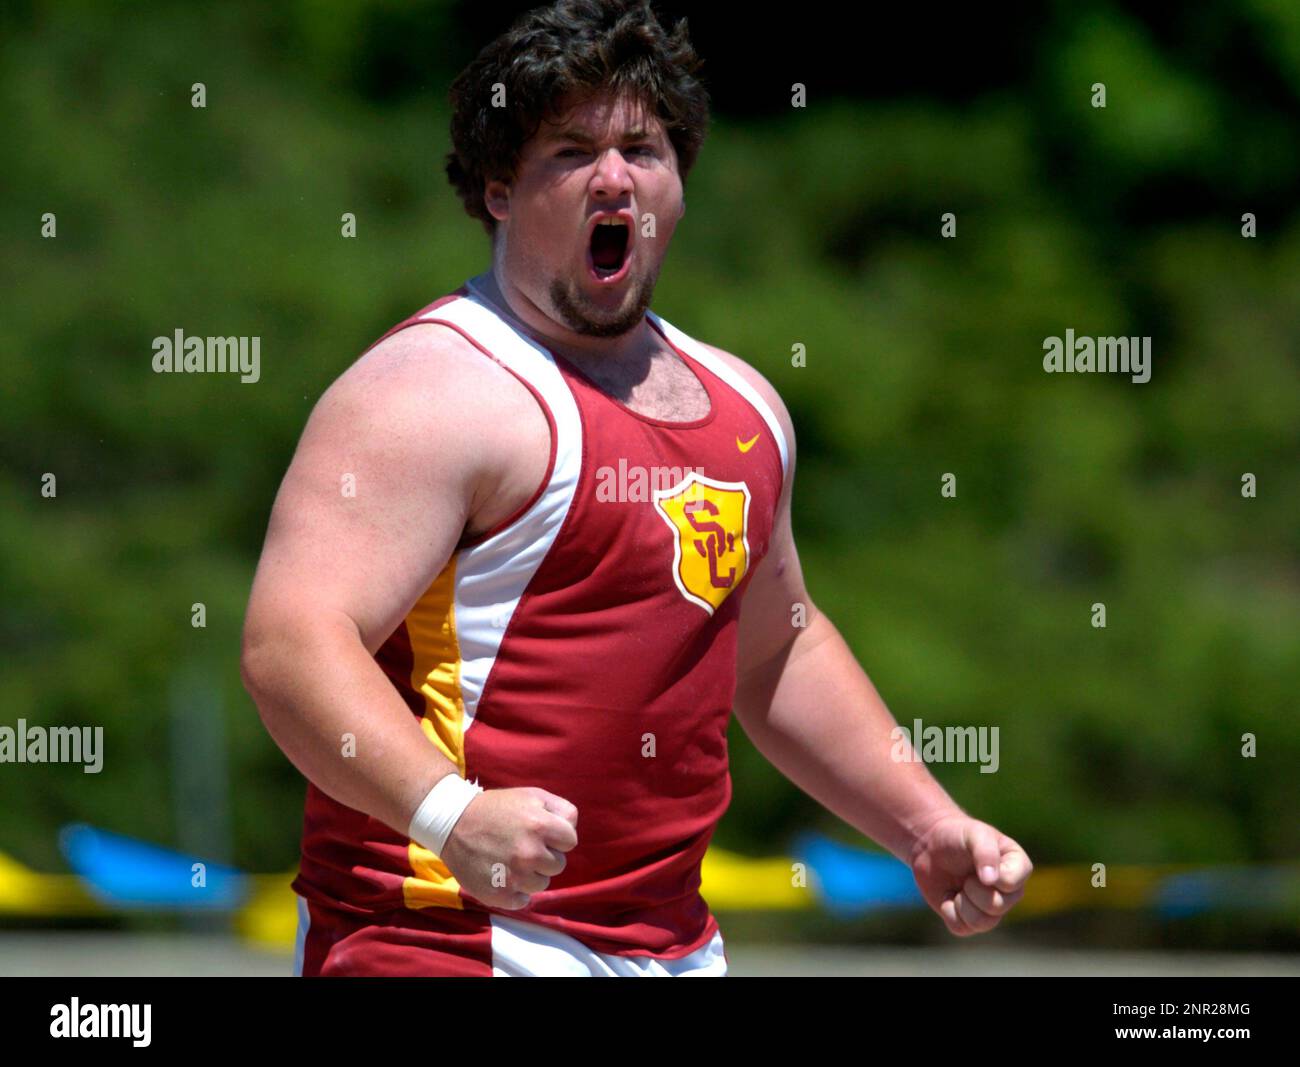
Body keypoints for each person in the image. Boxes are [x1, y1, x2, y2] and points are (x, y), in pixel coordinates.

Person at [241, 0, 1032, 977]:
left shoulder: (743, 407)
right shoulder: (431, 393)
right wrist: (446, 812)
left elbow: (775, 648)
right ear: (497, 190)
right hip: (441, 935)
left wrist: (924, 825)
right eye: (571, 151)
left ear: (679, 188)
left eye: (643, 150)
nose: (614, 175)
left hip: (670, 945)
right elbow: (290, 644)